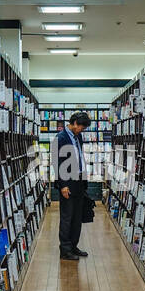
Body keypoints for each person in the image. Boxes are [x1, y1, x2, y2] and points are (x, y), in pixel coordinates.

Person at [53, 111, 91, 260]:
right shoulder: (60, 138)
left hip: (79, 181)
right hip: (67, 183)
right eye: (81, 126)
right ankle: (65, 250)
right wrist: (62, 185)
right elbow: (57, 163)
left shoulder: (78, 136)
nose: (82, 130)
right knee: (67, 217)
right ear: (74, 123)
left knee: (77, 217)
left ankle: (73, 246)